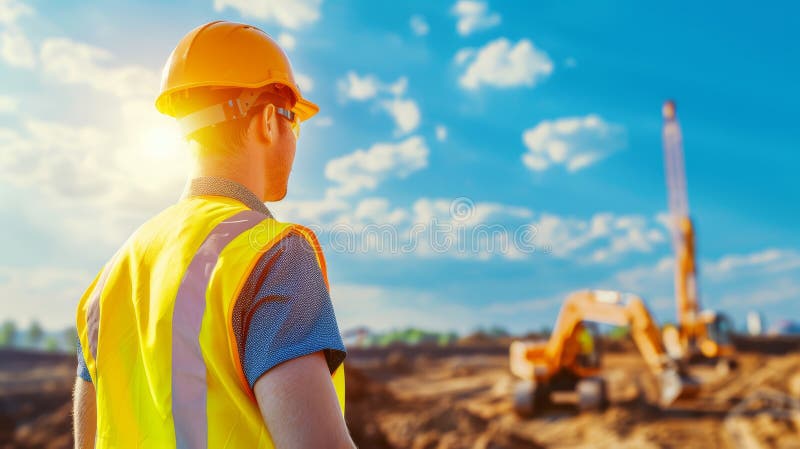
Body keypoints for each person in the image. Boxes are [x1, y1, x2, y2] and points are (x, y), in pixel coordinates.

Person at [72, 21, 355, 449]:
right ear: (266, 122)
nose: (294, 137)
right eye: (292, 121)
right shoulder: (270, 254)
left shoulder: (109, 279)